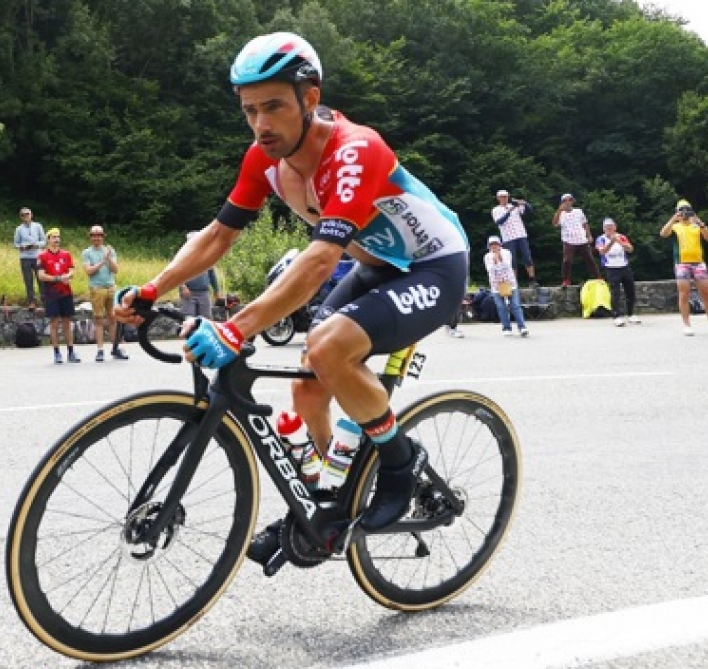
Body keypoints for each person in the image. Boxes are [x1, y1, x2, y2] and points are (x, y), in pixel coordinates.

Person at [115, 32, 469, 560]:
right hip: (375, 268)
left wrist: (238, 328)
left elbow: (322, 259)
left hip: (433, 268)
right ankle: (335, 499)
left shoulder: (355, 149)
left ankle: (399, 466)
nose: (261, 124)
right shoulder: (263, 159)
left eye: (274, 107)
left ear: (309, 97)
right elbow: (217, 236)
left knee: (328, 347)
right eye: (250, 110)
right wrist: (149, 289)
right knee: (308, 389)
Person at [660, 199, 708, 336]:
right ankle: (687, 325)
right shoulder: (675, 226)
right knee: (684, 294)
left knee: (706, 293)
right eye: (682, 210)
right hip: (682, 263)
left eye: (687, 209)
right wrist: (673, 219)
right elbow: (663, 234)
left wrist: (700, 223)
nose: (685, 212)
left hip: (698, 262)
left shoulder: (696, 225)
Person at [82, 225, 128, 362]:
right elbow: (89, 271)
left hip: (110, 287)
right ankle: (100, 349)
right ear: (90, 237)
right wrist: (103, 261)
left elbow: (115, 270)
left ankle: (115, 348)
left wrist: (108, 259)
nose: (96, 238)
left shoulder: (110, 250)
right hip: (97, 288)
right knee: (99, 319)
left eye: (99, 235)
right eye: (94, 235)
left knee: (113, 319)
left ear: (103, 236)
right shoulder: (87, 252)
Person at [36, 228, 81, 363]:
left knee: (67, 323)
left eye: (58, 237)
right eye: (54, 237)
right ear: (48, 239)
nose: (57, 240)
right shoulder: (42, 256)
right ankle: (56, 352)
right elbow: (41, 275)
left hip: (66, 293)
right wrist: (58, 279)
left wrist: (68, 275)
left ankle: (71, 351)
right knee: (54, 323)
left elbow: (72, 269)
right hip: (51, 294)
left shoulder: (66, 254)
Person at [595, 218, 640, 327]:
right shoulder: (600, 239)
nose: (609, 228)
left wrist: (619, 241)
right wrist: (611, 242)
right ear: (604, 228)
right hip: (611, 268)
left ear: (615, 227)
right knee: (615, 293)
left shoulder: (621, 236)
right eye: (607, 227)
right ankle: (616, 316)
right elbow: (602, 251)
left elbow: (630, 249)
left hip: (624, 266)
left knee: (630, 291)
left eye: (611, 226)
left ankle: (631, 314)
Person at [551, 193, 600, 287]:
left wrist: (589, 235)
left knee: (589, 258)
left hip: (581, 238)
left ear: (572, 201)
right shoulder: (561, 213)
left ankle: (597, 277)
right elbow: (554, 223)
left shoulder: (579, 211)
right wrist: (559, 211)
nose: (567, 202)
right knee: (567, 260)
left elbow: (585, 224)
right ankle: (566, 279)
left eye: (569, 200)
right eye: (565, 201)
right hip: (568, 239)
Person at [491, 189, 538, 285]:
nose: (504, 199)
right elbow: (499, 221)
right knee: (512, 260)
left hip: (521, 235)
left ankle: (532, 279)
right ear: (498, 198)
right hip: (508, 238)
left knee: (527, 257)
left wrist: (525, 203)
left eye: (506, 197)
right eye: (502, 197)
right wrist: (508, 212)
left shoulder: (514, 206)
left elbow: (529, 211)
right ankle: (514, 282)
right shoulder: (496, 209)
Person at [484, 236, 528, 337]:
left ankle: (522, 327)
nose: (494, 246)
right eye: (492, 245)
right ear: (489, 246)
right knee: (501, 307)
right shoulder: (487, 256)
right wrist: (495, 261)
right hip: (496, 285)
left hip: (510, 283)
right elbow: (490, 269)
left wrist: (499, 258)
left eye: (496, 244)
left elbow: (507, 265)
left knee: (515, 305)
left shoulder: (507, 252)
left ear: (500, 244)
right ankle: (506, 327)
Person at [180, 232, 222, 318]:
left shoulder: (207, 257)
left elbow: (212, 275)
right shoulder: (183, 257)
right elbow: (177, 274)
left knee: (206, 317)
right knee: (189, 318)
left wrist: (216, 290)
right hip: (189, 292)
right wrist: (183, 287)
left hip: (204, 292)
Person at [13, 207, 45, 308]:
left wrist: (37, 245)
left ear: (31, 215)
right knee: (28, 280)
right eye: (23, 215)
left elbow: (44, 241)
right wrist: (21, 247)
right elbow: (15, 244)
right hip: (25, 257)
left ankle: (44, 299)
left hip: (38, 256)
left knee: (41, 278)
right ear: (21, 217)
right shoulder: (18, 229)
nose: (26, 216)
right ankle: (31, 301)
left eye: (28, 214)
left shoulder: (38, 226)